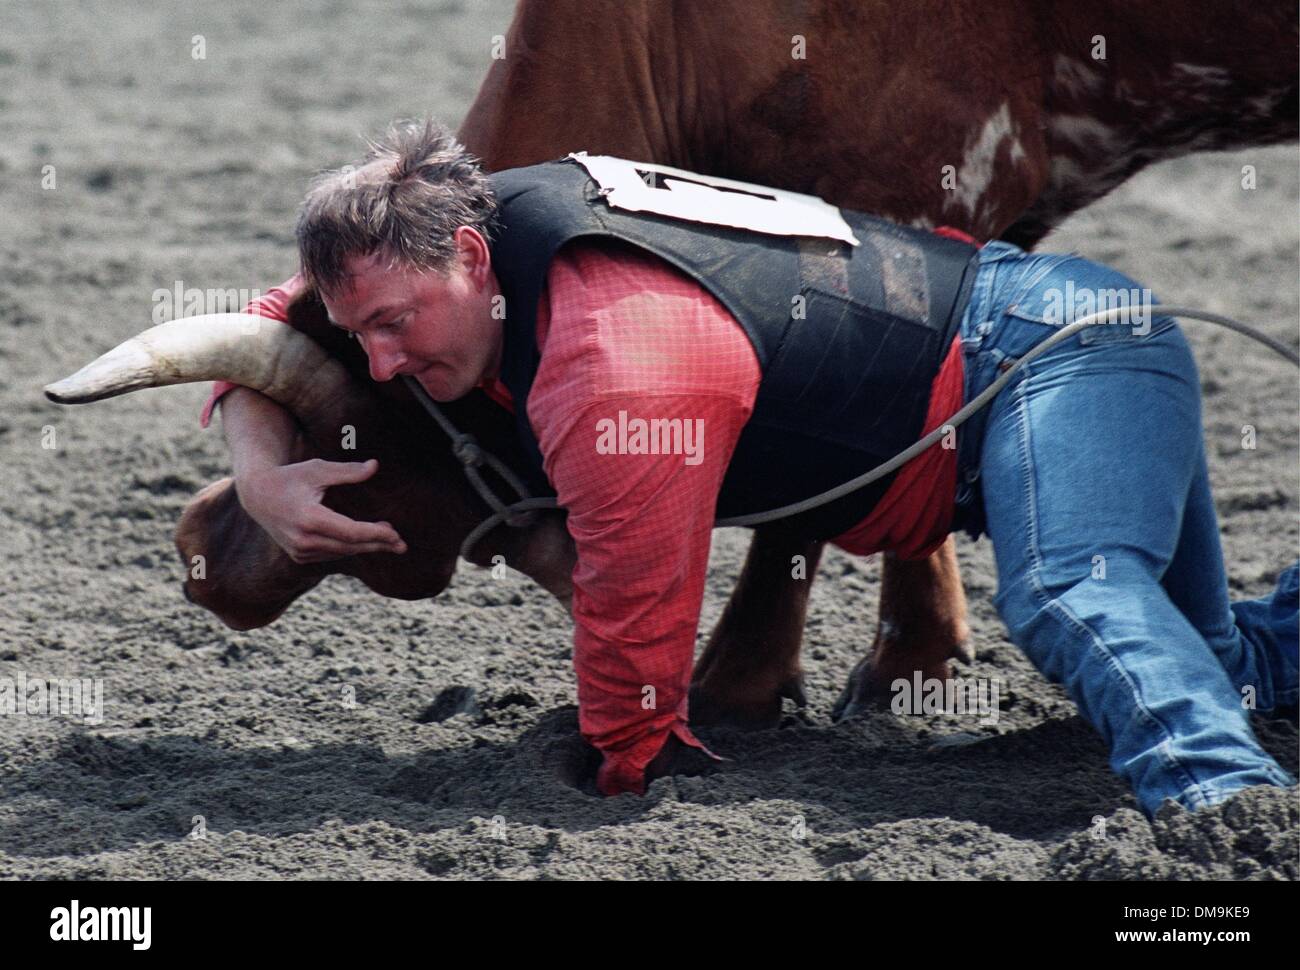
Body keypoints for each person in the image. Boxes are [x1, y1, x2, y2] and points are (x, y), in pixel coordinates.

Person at [204, 118, 1298, 817]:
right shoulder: (462, 233)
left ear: (471, 259)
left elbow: (635, 630)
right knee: (1208, 654)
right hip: (1054, 342)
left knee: (1070, 592)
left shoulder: (609, 363)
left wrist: (629, 754)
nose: (381, 361)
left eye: (394, 326)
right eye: (365, 335)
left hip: (1048, 359)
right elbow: (272, 321)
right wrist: (259, 474)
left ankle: (1228, 806)